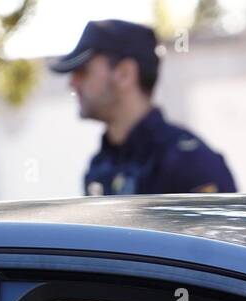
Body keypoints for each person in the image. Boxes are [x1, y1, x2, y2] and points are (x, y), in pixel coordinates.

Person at [51, 19, 236, 196]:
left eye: (82, 71)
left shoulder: (189, 162)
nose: (73, 84)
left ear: (125, 74)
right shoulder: (100, 164)